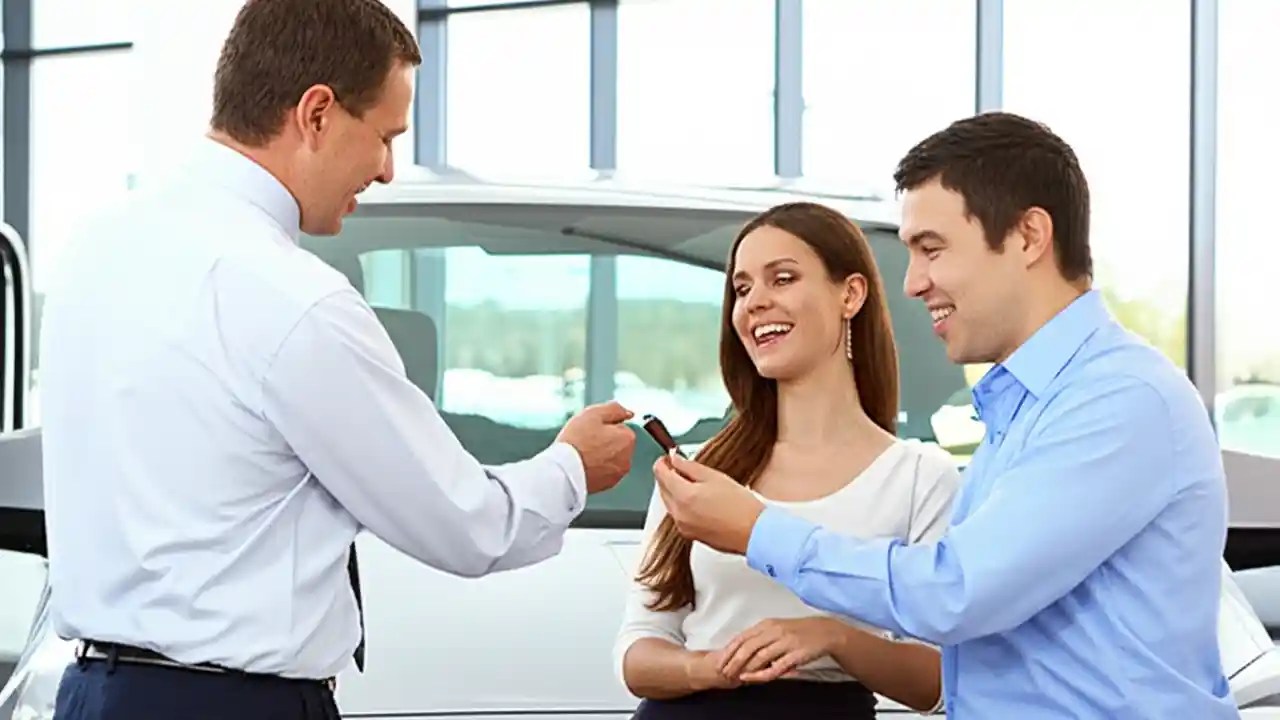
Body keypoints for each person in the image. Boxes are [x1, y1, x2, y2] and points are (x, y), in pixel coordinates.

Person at [37, 1, 635, 719]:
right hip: (234, 704)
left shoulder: (93, 250)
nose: (386, 170)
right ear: (317, 113)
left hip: (89, 694)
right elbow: (464, 523)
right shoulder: (294, 301)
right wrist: (571, 467)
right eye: (384, 136)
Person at [651, 111, 1238, 719]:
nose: (911, 283)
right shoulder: (1029, 408)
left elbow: (957, 593)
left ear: (1029, 237)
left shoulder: (1118, 399)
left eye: (932, 250)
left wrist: (756, 531)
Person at [613, 201, 961, 719]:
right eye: (743, 288)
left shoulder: (920, 478)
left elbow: (940, 681)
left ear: (850, 294)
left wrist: (833, 638)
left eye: (783, 278)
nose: (755, 303)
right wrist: (709, 669)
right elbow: (639, 648)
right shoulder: (702, 470)